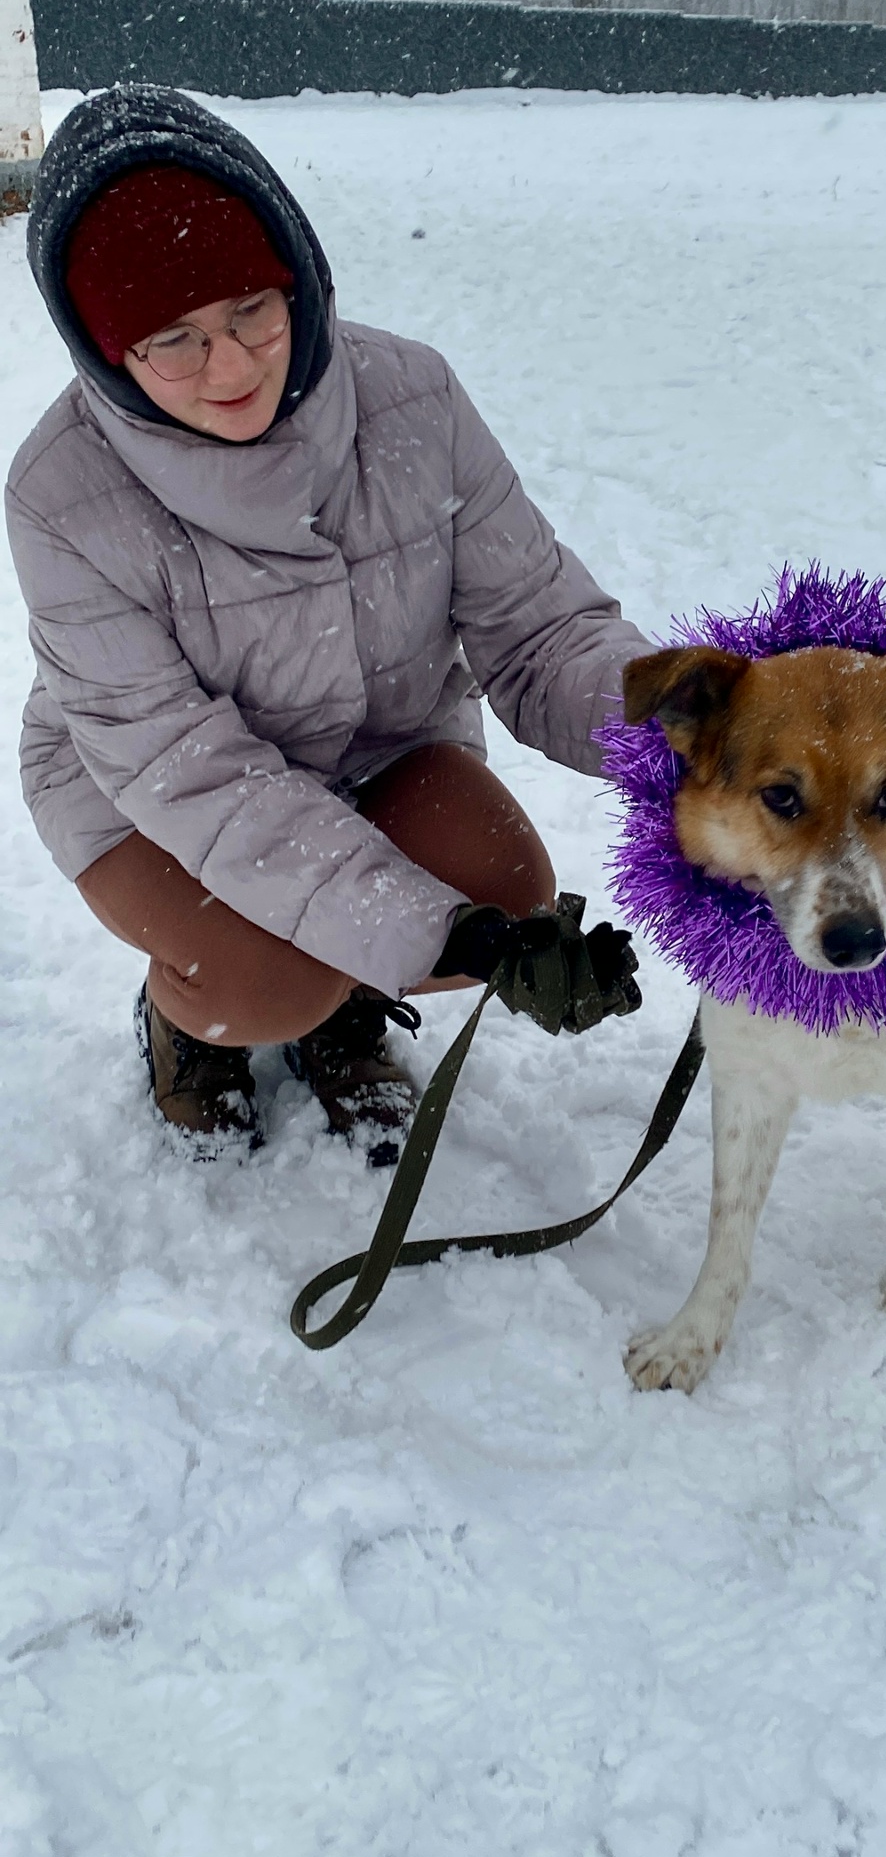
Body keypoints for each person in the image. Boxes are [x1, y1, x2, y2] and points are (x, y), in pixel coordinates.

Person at [8, 86, 651, 1158]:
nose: (232, 366)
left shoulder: (413, 399)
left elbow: (538, 632)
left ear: (296, 278)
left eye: (252, 310)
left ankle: (349, 995)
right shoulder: (62, 497)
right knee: (266, 980)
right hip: (151, 798)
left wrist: (698, 732)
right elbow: (188, 771)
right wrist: (445, 936)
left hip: (374, 749)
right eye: (173, 339)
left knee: (507, 883)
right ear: (108, 351)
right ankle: (192, 1022)